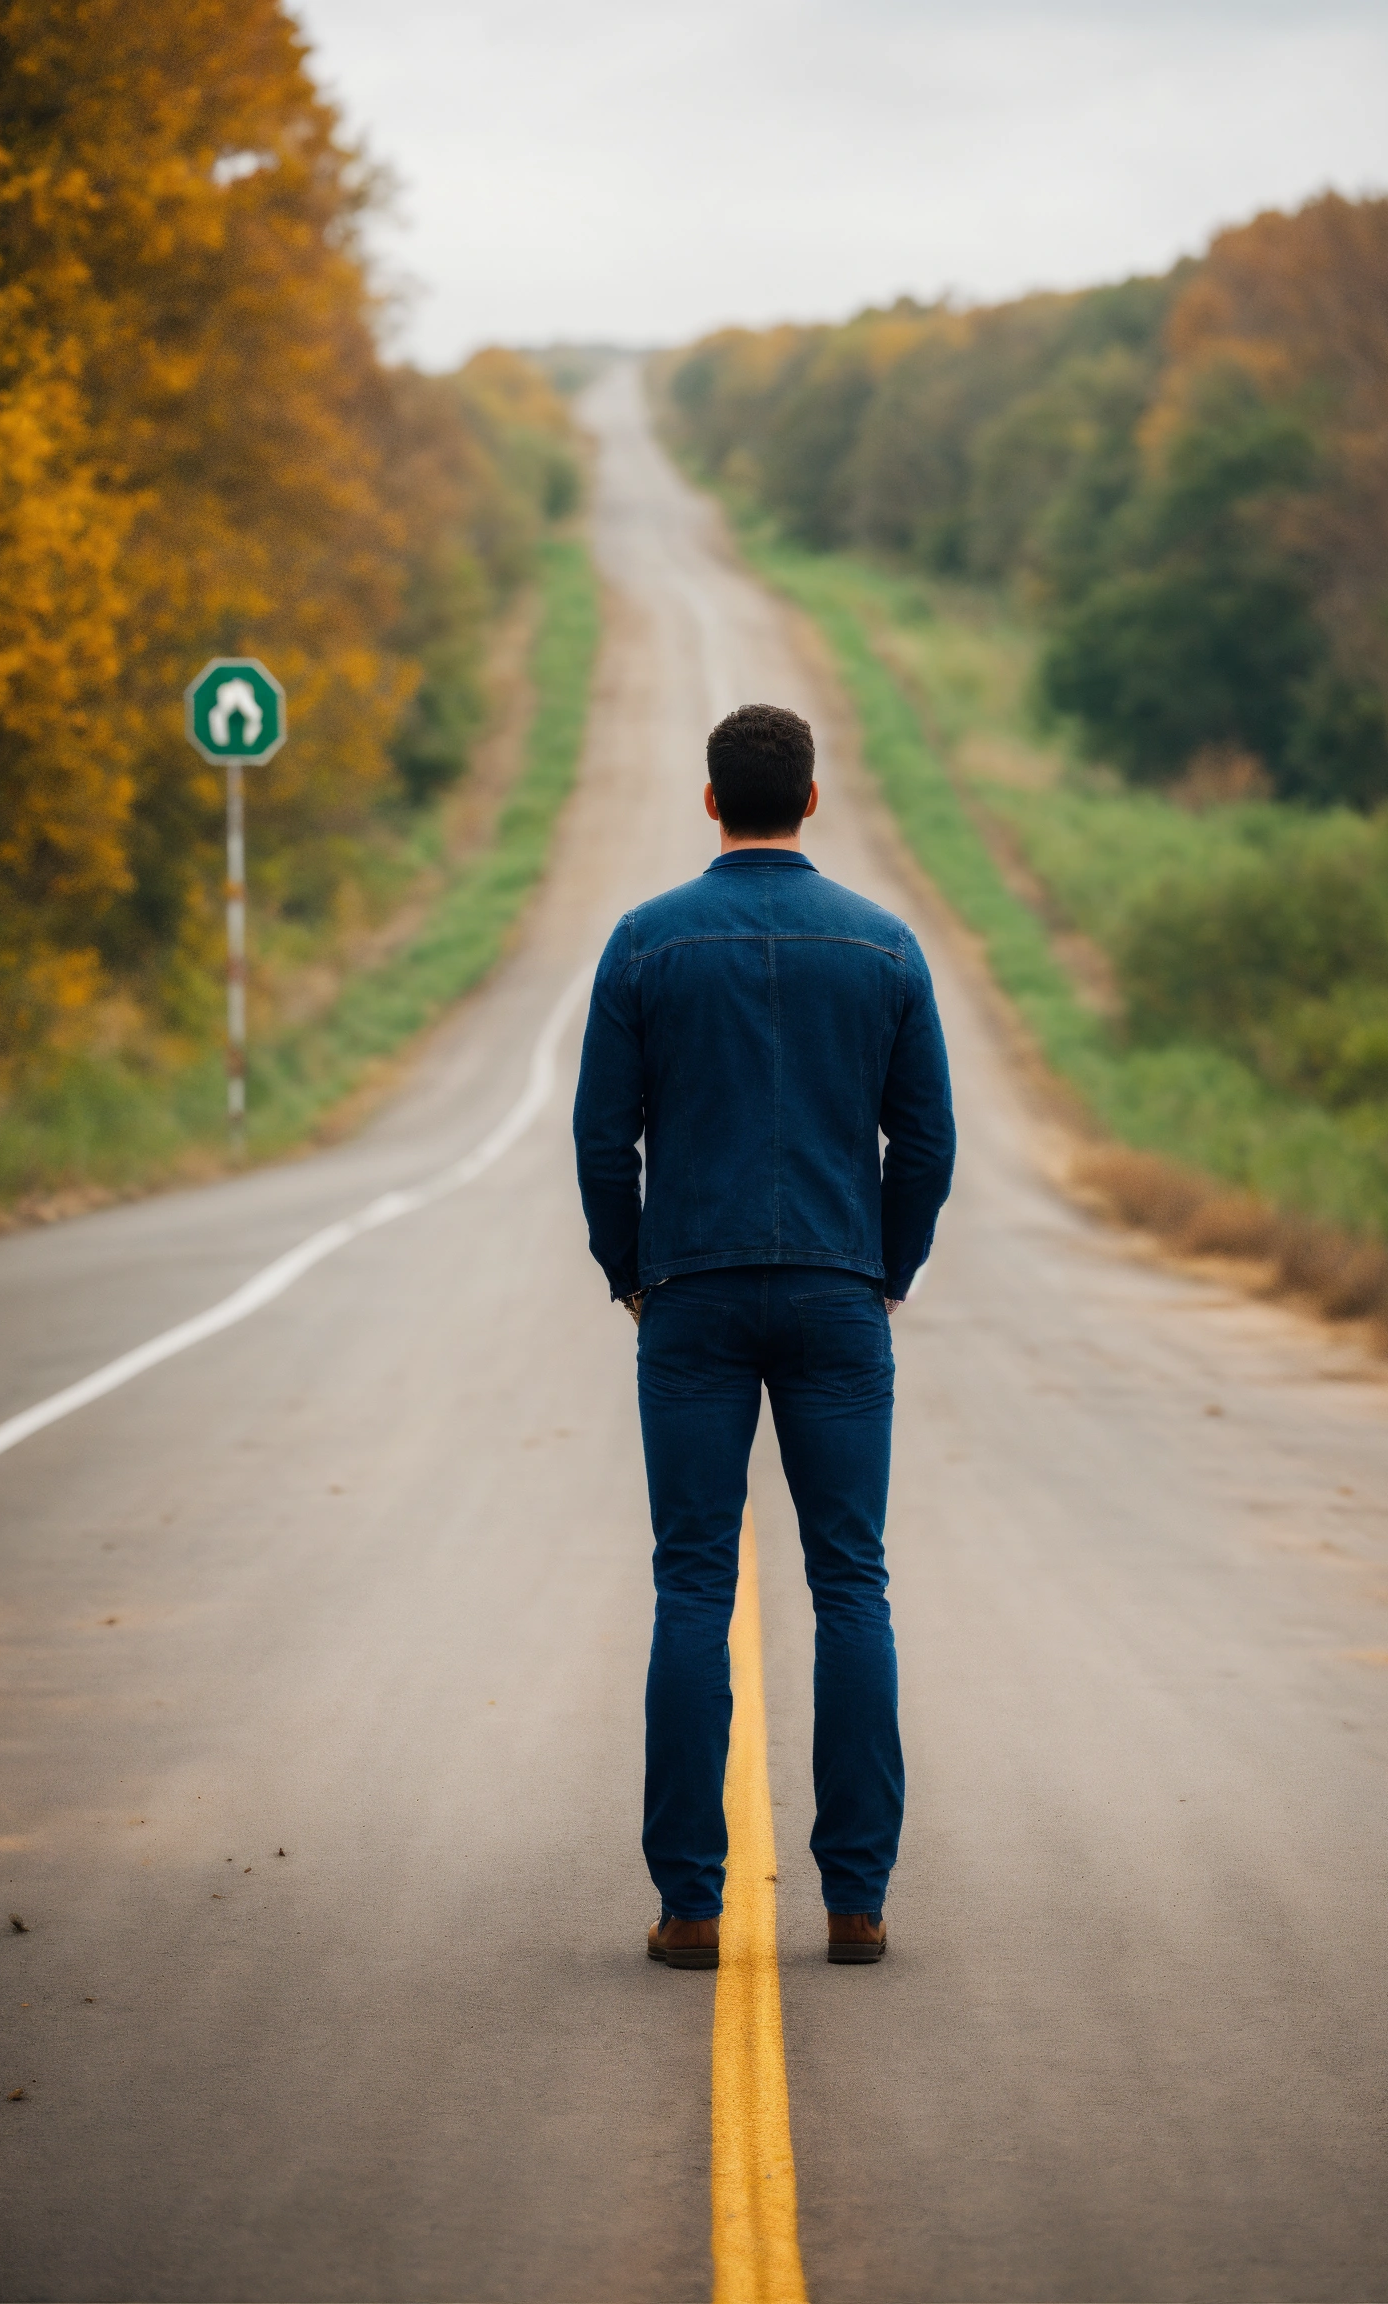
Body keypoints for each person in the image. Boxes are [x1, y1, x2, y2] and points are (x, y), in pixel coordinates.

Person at [572, 703, 955, 1969]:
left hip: (691, 1292)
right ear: (808, 799)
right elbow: (927, 1146)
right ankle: (854, 1902)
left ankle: (691, 1910)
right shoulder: (886, 948)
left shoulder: (643, 944)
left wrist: (631, 1272)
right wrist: (881, 1269)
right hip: (838, 1295)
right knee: (850, 1581)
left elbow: (598, 1140)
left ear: (707, 801)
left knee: (692, 1581)